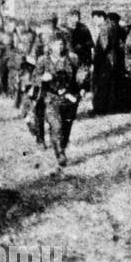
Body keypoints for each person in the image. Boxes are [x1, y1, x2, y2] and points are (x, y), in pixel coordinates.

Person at [29, 31, 81, 167]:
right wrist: (42, 78)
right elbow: (34, 78)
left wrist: (82, 87)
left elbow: (79, 77)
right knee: (56, 125)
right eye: (57, 44)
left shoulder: (72, 59)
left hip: (69, 99)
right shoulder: (43, 60)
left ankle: (62, 146)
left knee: (66, 127)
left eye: (62, 44)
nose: (60, 47)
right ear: (50, 46)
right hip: (50, 98)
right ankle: (60, 152)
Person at [65, 9, 94, 88]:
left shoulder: (83, 28)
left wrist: (81, 46)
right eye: (73, 16)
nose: (75, 19)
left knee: (81, 79)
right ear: (69, 17)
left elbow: (91, 43)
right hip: (68, 58)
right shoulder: (64, 29)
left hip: (82, 58)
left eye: (77, 17)